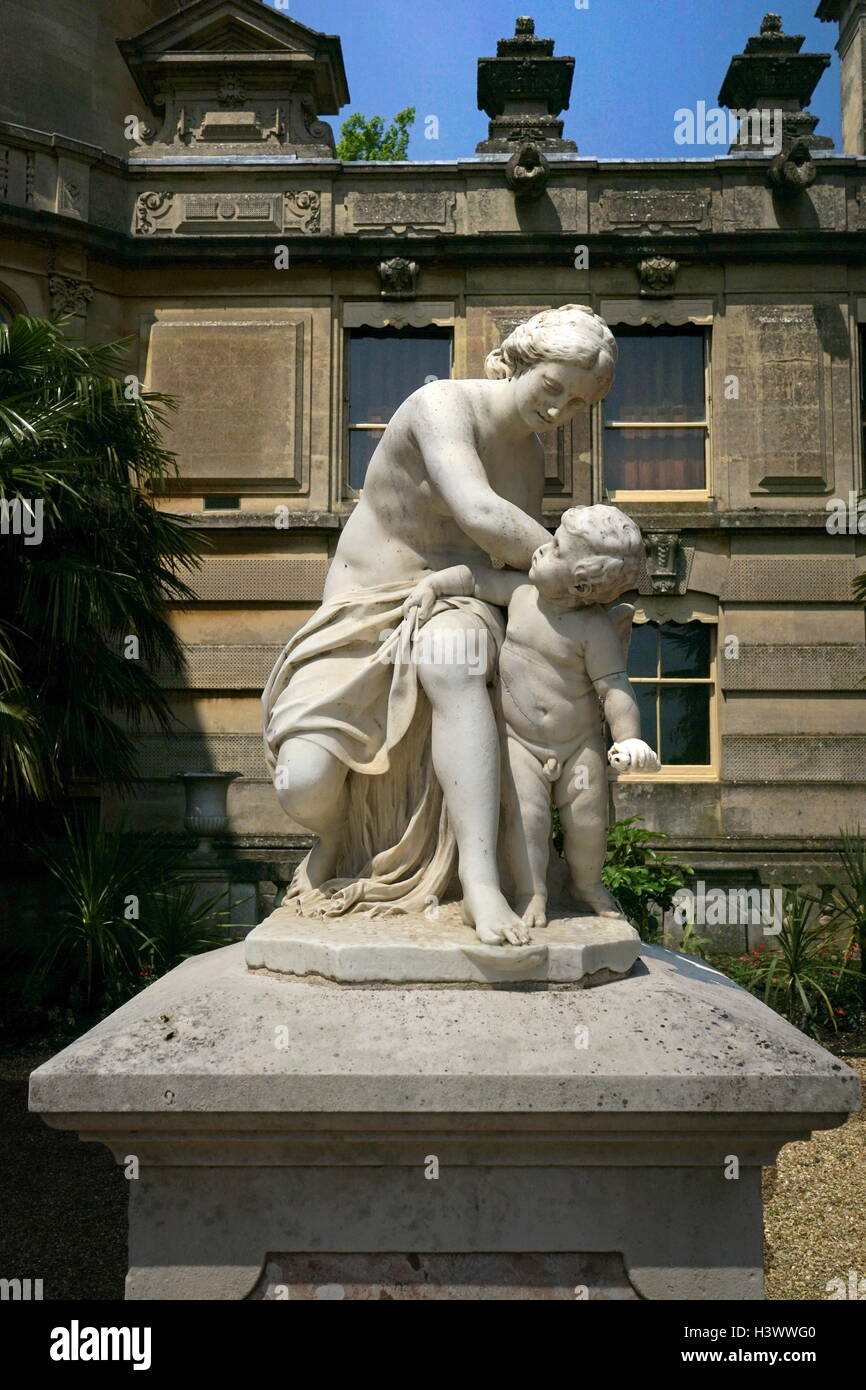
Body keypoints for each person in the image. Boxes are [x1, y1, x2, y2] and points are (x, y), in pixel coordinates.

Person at [263, 306, 619, 946]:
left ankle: (480, 884)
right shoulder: (440, 405)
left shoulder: (530, 459)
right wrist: (574, 572)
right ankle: (339, 841)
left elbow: (504, 568)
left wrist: (573, 596)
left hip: (459, 597)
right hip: (364, 605)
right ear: (523, 362)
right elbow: (481, 515)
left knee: (453, 656)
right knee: (303, 785)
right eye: (552, 388)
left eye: (576, 404)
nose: (558, 410)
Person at [402, 505, 660, 929]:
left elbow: (614, 688)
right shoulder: (523, 595)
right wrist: (434, 585)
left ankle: (587, 884)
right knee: (527, 823)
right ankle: (531, 892)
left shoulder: (593, 630)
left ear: (580, 583)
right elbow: (474, 578)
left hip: (579, 746)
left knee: (588, 826)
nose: (542, 548)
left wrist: (629, 737)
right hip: (520, 742)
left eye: (556, 548)